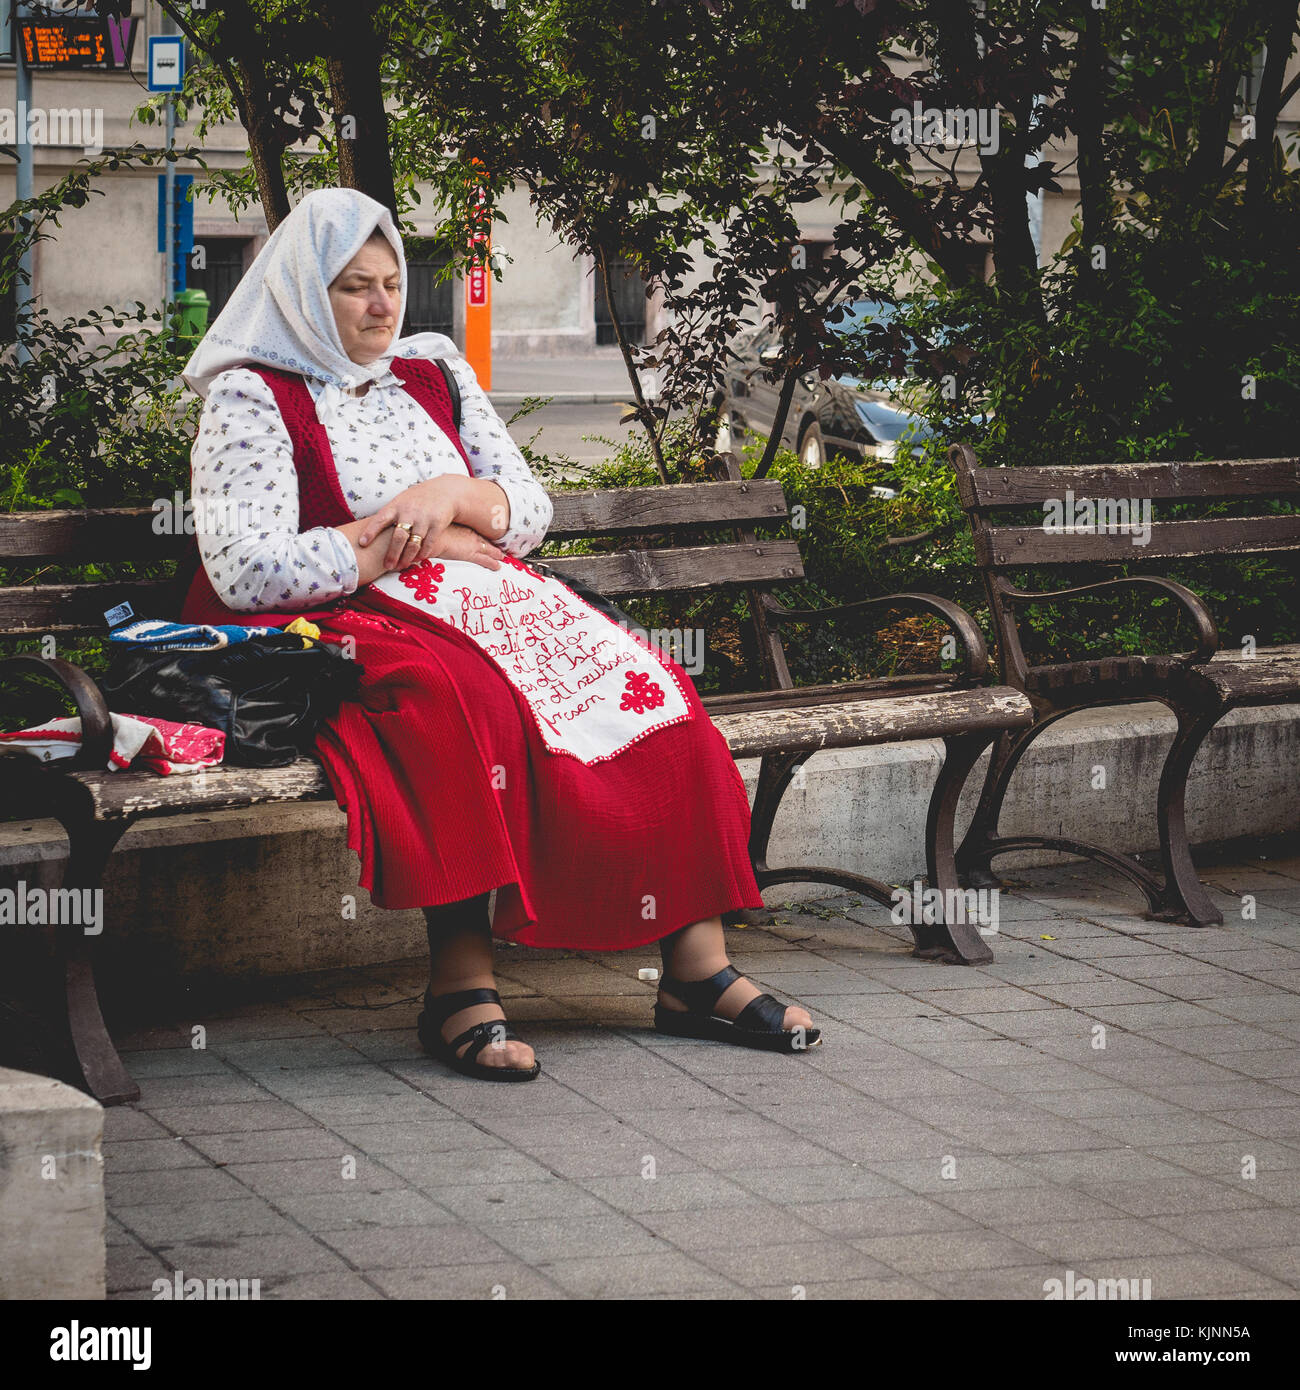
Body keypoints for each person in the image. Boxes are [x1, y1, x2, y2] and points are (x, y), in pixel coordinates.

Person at [179, 187, 819, 1082]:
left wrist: (448, 503)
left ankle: (695, 970)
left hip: (490, 596)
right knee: (457, 705)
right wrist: (403, 541)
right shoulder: (252, 394)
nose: (382, 305)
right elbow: (247, 570)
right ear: (299, 292)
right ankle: (459, 985)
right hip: (344, 619)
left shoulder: (430, 368)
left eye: (393, 282)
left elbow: (527, 510)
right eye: (353, 286)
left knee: (649, 684)